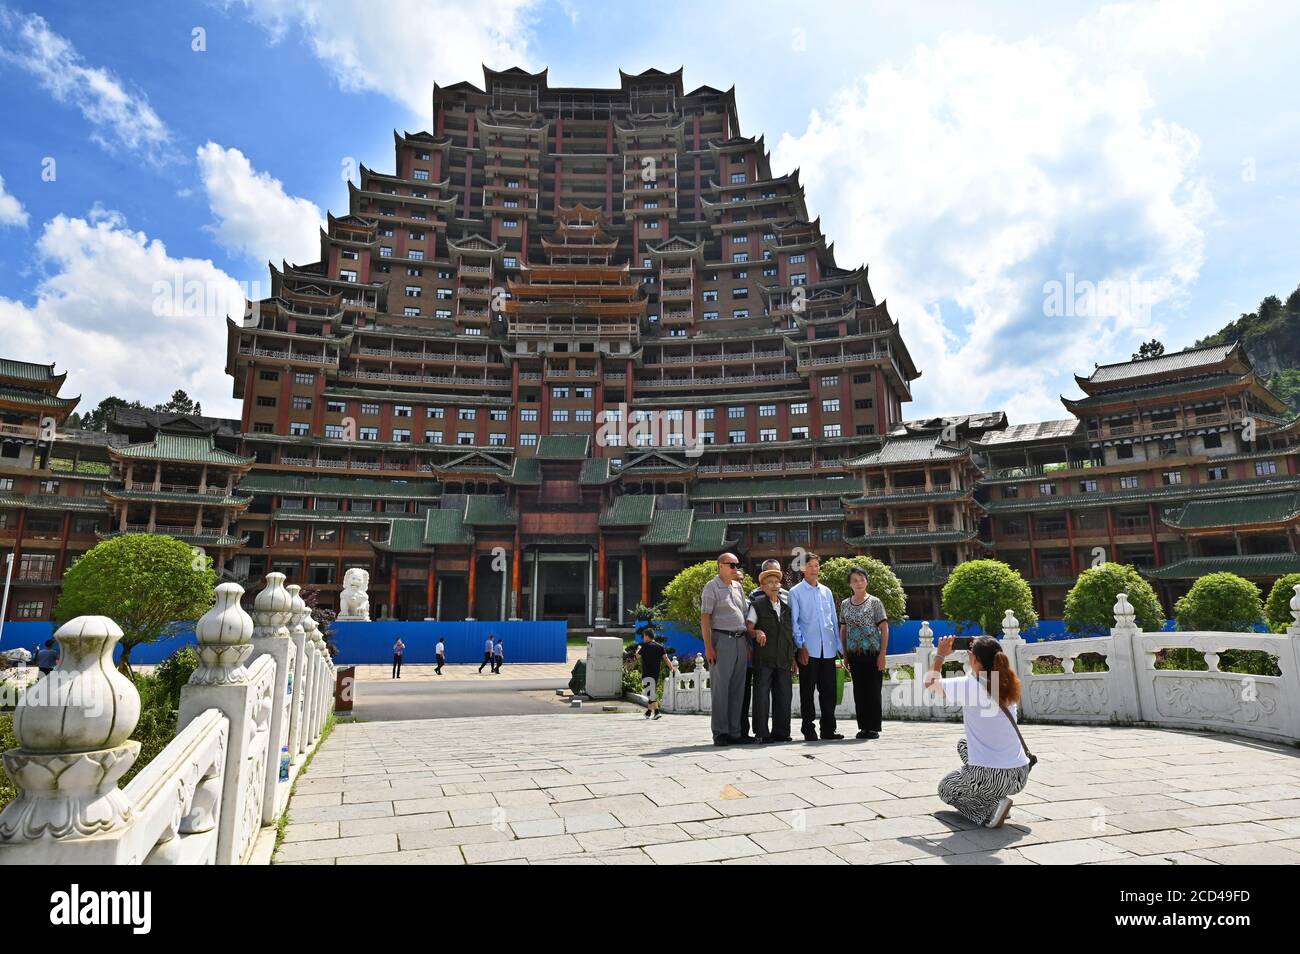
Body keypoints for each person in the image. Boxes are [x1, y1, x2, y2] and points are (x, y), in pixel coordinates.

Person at [924, 635, 1031, 828]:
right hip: (1019, 774)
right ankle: (994, 796)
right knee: (963, 744)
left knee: (946, 789)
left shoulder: (969, 685)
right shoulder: (1008, 683)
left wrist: (940, 655)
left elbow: (931, 684)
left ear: (974, 660)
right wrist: (981, 648)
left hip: (992, 777)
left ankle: (989, 809)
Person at [700, 551, 754, 746]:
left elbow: (744, 613)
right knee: (721, 689)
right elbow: (705, 618)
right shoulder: (711, 587)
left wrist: (748, 641)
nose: (735, 568)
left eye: (736, 564)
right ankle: (720, 732)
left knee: (738, 689)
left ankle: (735, 731)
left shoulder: (738, 587)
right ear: (720, 566)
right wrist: (708, 647)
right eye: (731, 565)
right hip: (721, 640)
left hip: (740, 640)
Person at [788, 553, 843, 741]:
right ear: (803, 569)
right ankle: (808, 729)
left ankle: (829, 729)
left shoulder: (826, 592)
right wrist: (800, 646)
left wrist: (839, 648)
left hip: (828, 649)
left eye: (817, 565)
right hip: (808, 650)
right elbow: (794, 622)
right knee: (807, 691)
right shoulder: (795, 592)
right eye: (810, 565)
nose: (814, 569)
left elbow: (833, 621)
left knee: (829, 692)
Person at [746, 566, 795, 743]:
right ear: (763, 587)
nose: (774, 585)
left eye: (776, 582)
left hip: (784, 657)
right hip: (764, 658)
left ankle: (781, 732)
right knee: (762, 695)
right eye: (770, 583)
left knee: (784, 695)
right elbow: (748, 629)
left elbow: (790, 635)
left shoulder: (787, 608)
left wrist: (793, 657)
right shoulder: (756, 606)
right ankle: (762, 733)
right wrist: (757, 632)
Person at [839, 567, 889, 740]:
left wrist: (882, 655)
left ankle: (873, 727)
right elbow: (843, 630)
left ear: (866, 581)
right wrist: (844, 653)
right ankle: (863, 727)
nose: (858, 583)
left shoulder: (875, 602)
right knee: (859, 691)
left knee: (873, 690)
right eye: (855, 580)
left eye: (861, 579)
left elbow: (884, 628)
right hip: (854, 654)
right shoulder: (845, 604)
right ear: (850, 584)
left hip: (872, 653)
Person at [635, 631, 677, 720]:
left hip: (647, 673)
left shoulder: (644, 646)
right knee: (651, 692)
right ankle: (649, 712)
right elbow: (666, 658)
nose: (643, 638)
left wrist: (638, 648)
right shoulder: (660, 647)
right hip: (655, 673)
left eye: (644, 636)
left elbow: (637, 656)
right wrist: (672, 668)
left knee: (650, 693)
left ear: (647, 636)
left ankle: (657, 712)